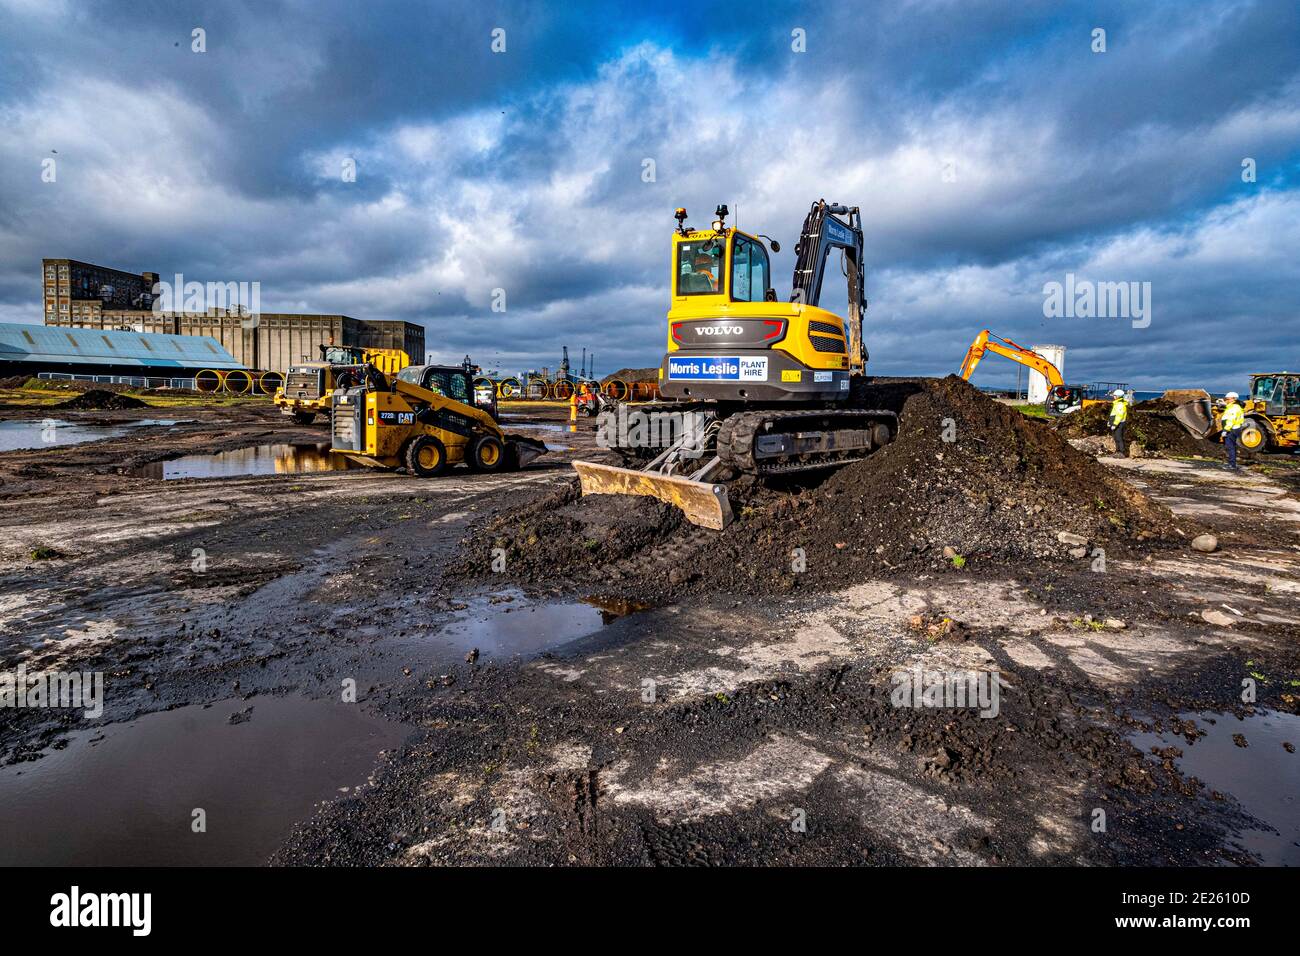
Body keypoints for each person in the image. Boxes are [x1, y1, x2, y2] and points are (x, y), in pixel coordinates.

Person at [1220, 391, 1245, 471]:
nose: (1226, 400)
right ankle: (1232, 463)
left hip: (1232, 429)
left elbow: (1231, 420)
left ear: (1233, 399)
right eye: (1226, 398)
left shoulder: (1234, 408)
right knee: (1231, 446)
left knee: (1230, 447)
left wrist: (1226, 430)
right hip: (1233, 428)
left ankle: (1232, 464)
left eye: (1228, 398)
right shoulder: (1234, 406)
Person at [1108, 388, 1128, 457]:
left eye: (1114, 395)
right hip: (1115, 423)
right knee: (1116, 438)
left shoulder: (1120, 404)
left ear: (1118, 396)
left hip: (1119, 424)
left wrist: (1114, 424)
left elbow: (1119, 415)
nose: (1113, 396)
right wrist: (1109, 422)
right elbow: (1113, 414)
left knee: (1119, 438)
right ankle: (1117, 451)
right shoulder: (1116, 403)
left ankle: (1122, 452)